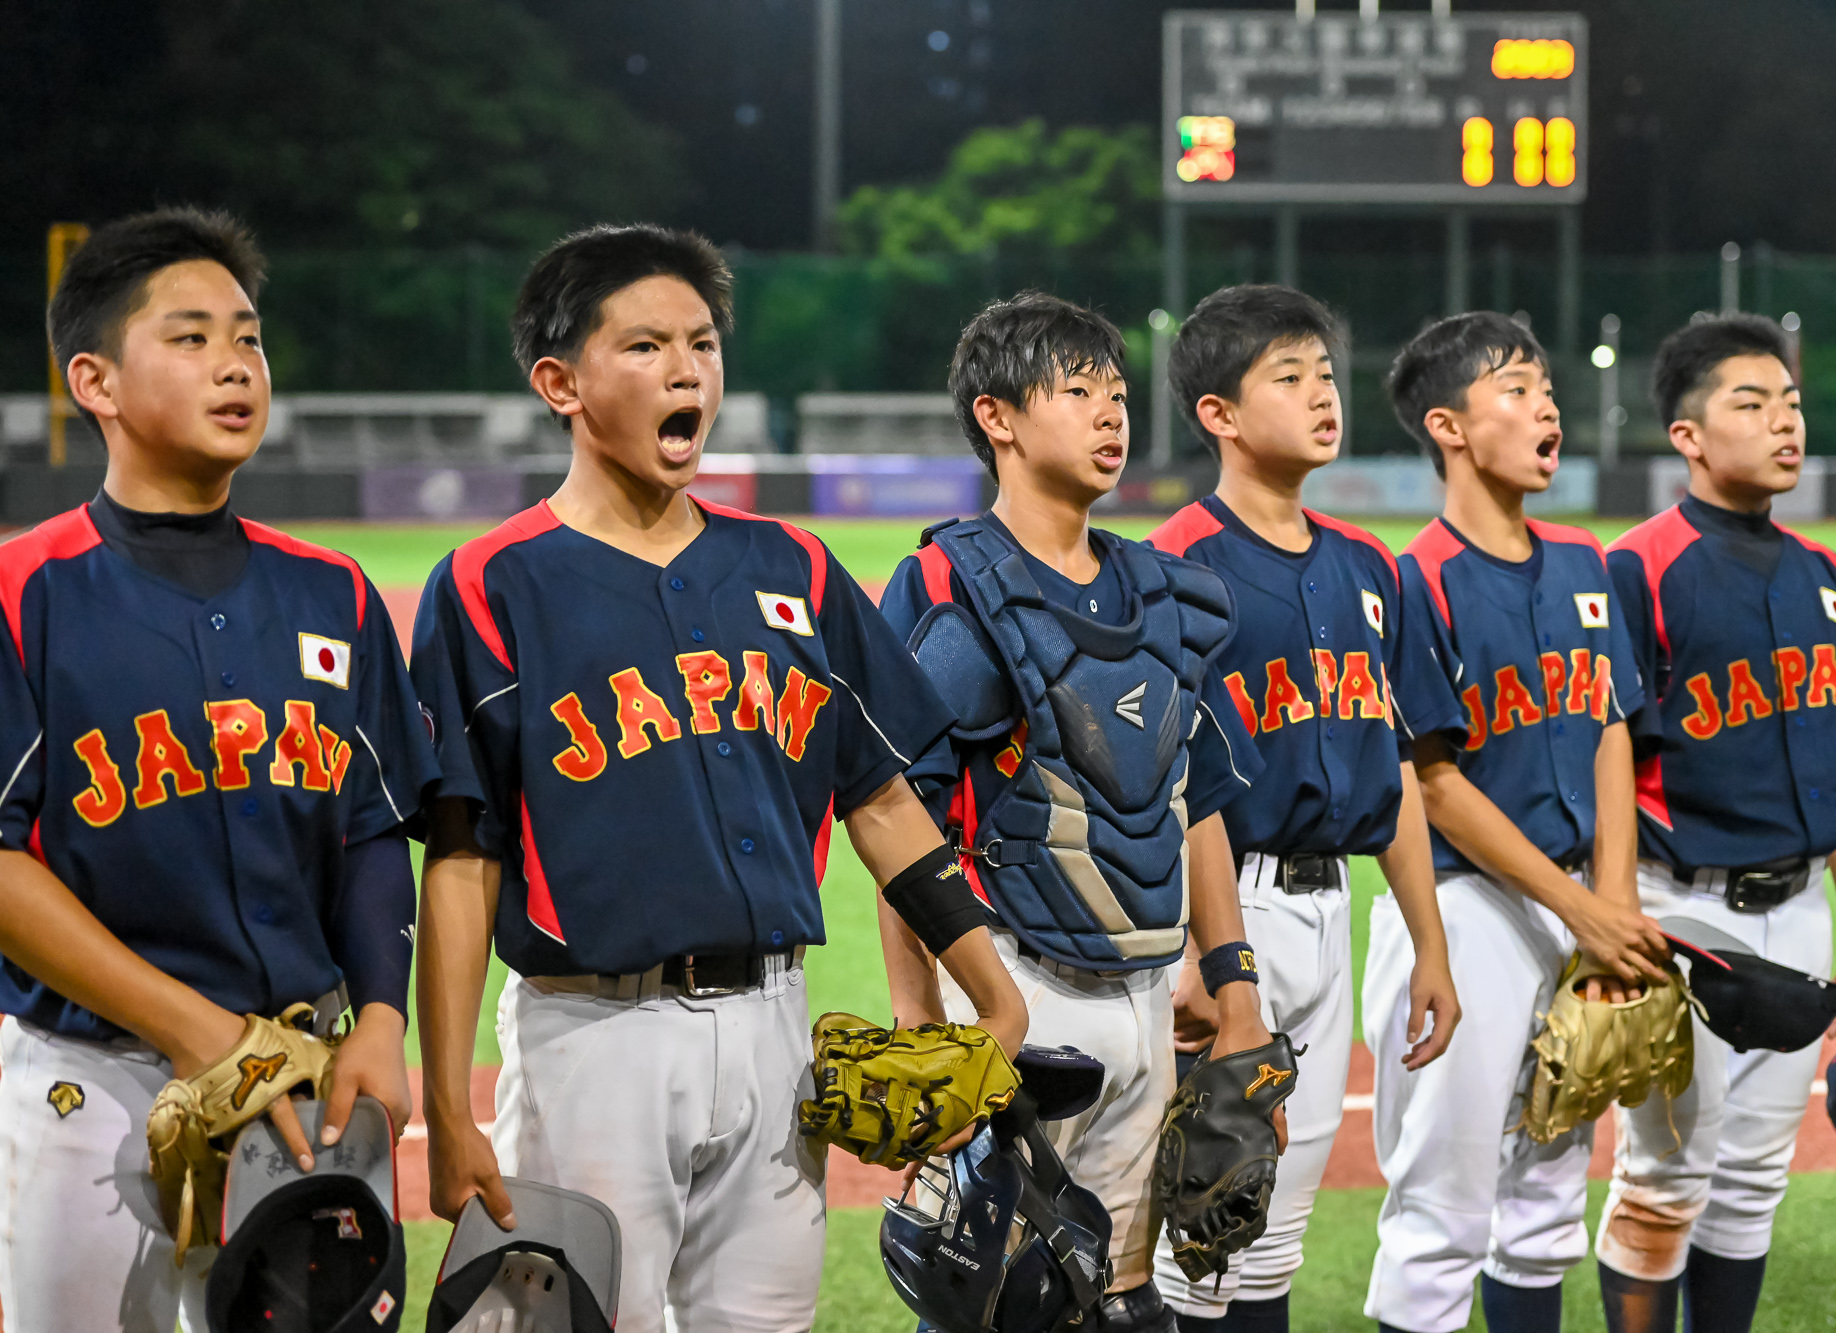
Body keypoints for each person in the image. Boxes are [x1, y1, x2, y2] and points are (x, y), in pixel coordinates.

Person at [410, 223, 1027, 1333]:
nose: (687, 368)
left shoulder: (790, 567)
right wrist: (446, 1101)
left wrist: (991, 984)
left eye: (700, 342)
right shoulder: (491, 586)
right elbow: (463, 857)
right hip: (592, 1037)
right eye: (644, 346)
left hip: (775, 1032)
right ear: (560, 382)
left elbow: (881, 797)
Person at [0, 207, 436, 1332]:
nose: (236, 365)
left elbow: (375, 827)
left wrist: (381, 1017)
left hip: (302, 1076)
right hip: (91, 1082)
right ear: (94, 381)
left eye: (247, 337)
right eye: (190, 338)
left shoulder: (334, 593)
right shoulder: (24, 592)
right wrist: (197, 1028)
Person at [878, 290, 1271, 1332]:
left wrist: (1231, 983)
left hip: (1151, 995)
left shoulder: (1167, 597)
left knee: (1121, 1302)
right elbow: (895, 812)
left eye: (1115, 391)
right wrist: (921, 1021)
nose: (1110, 413)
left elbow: (1201, 801)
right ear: (996, 418)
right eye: (1074, 390)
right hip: (1012, 986)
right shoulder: (951, 583)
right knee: (989, 1299)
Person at [1144, 284, 1460, 1332]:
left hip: (1330, 913)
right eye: (1288, 376)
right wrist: (1196, 952)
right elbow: (1162, 782)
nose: (1321, 393)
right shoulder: (1174, 561)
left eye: (1323, 372)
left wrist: (1428, 942)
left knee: (1272, 1234)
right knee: (1207, 1223)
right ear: (1217, 415)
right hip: (1227, 910)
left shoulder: (1368, 566)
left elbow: (1399, 769)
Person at [1596, 313, 1836, 1332]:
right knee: (1661, 1179)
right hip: (1680, 915)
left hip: (1798, 909)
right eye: (1749, 401)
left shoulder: (1828, 577)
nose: (1783, 420)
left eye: (1789, 402)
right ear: (1685, 436)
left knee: (1749, 1179)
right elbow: (1607, 753)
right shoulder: (1637, 569)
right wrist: (1611, 913)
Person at [1370, 310, 1669, 1333]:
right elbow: (1433, 780)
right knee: (1441, 1215)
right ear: (1447, 427)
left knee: (1543, 1207)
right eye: (1513, 388)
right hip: (1467, 910)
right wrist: (1580, 908)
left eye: (1545, 388)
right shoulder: (1415, 578)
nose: (1544, 405)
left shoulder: (1584, 562)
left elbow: (1609, 726)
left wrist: (1614, 900)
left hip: (1579, 898)